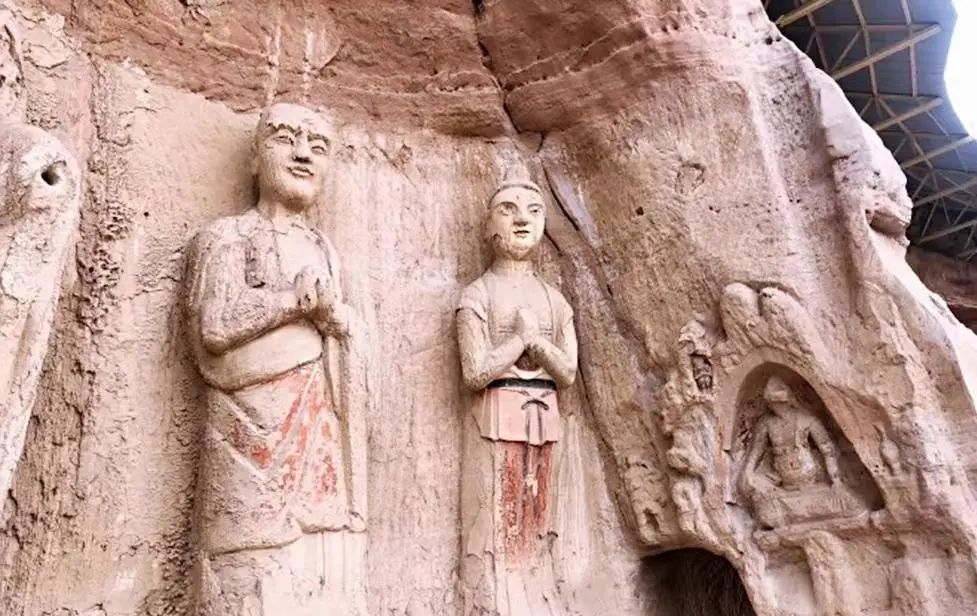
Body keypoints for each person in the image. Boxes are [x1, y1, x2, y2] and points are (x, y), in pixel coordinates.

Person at [185, 102, 365, 616]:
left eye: (319, 145)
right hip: (245, 433)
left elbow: (345, 332)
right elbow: (213, 328)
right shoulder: (225, 237)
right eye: (286, 137)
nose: (304, 153)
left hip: (315, 429)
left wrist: (334, 317)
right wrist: (292, 300)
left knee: (315, 570)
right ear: (254, 159)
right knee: (246, 571)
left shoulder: (325, 250)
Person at [456, 168, 578, 616]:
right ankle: (496, 599)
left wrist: (537, 342)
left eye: (533, 211)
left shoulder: (554, 299)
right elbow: (474, 371)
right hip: (497, 414)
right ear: (489, 226)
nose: (521, 220)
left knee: (535, 512)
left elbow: (566, 371)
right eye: (508, 210)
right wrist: (517, 342)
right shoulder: (477, 295)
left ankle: (535, 591)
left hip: (544, 415)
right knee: (498, 514)